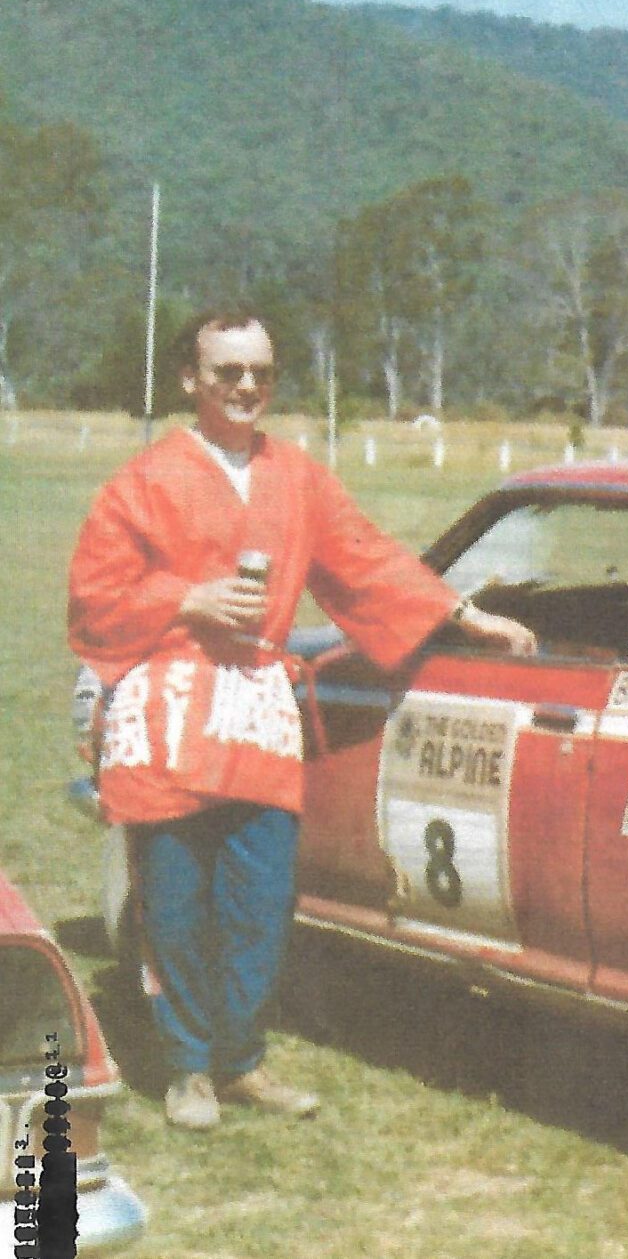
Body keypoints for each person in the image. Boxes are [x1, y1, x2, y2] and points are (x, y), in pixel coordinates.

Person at [68, 311, 535, 1131]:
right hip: (169, 708)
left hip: (256, 704)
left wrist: (464, 615)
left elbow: (366, 559)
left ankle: (241, 1057)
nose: (247, 386)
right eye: (228, 371)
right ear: (190, 379)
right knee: (174, 898)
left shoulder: (297, 478)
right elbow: (94, 595)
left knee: (261, 895)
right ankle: (188, 1067)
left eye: (261, 371)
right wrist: (188, 597)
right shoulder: (143, 481)